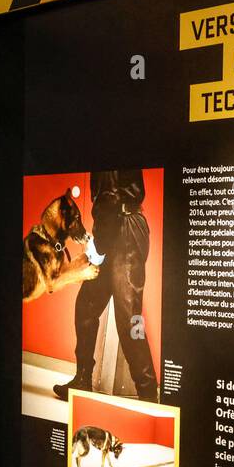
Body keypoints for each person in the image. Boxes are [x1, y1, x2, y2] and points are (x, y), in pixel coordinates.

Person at [54, 169, 158, 402]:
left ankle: (149, 394)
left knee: (128, 317)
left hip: (125, 229)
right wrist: (99, 243)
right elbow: (108, 201)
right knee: (86, 306)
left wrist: (97, 246)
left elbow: (110, 197)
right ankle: (82, 379)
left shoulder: (108, 142)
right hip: (113, 226)